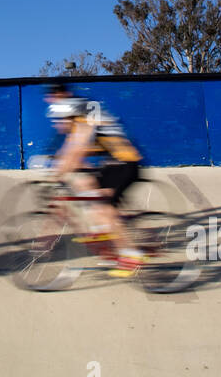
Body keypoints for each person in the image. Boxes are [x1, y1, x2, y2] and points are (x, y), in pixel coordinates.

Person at [43, 82, 145, 277]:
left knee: (105, 206)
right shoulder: (77, 121)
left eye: (60, 118)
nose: (58, 123)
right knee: (84, 182)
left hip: (126, 162)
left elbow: (76, 150)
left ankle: (131, 253)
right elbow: (69, 152)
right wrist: (56, 169)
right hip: (113, 162)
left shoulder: (84, 118)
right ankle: (102, 228)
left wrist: (57, 175)